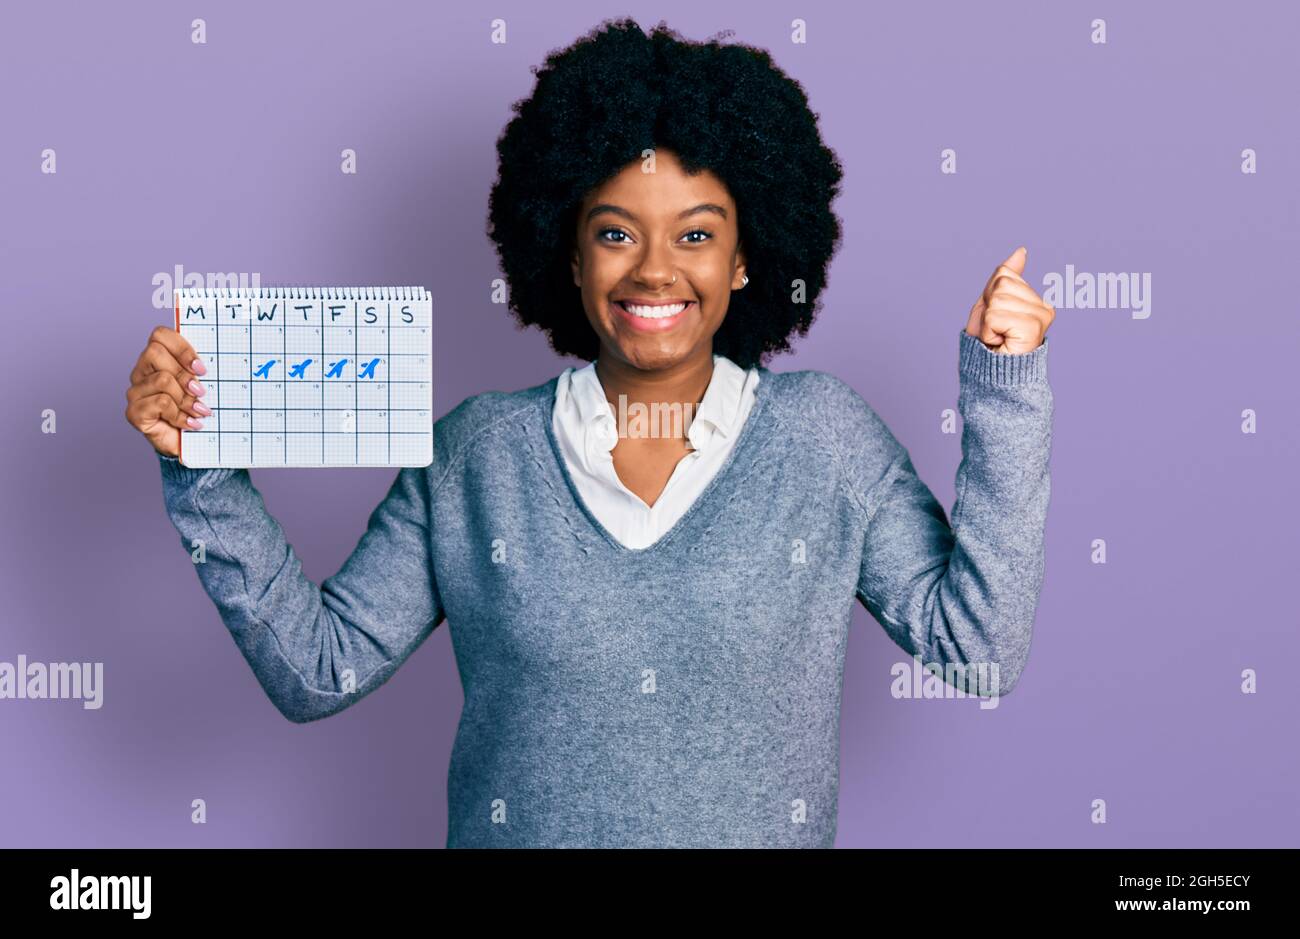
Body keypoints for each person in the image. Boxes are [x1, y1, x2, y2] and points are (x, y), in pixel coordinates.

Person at [123, 18, 1054, 848]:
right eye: (616, 233)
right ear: (567, 256)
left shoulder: (825, 441)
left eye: (695, 236)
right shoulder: (475, 457)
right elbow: (317, 671)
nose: (654, 271)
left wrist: (1003, 388)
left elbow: (979, 647)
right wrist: (202, 471)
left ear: (745, 261)